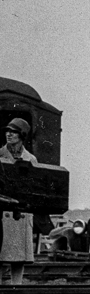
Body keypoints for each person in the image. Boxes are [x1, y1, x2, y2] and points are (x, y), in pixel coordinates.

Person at [0, 118, 38, 283]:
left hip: (22, 215)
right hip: (3, 213)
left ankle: (18, 287)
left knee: (19, 258)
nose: (9, 134)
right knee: (1, 256)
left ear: (21, 135)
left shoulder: (31, 159)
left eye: (14, 131)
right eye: (8, 131)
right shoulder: (0, 154)